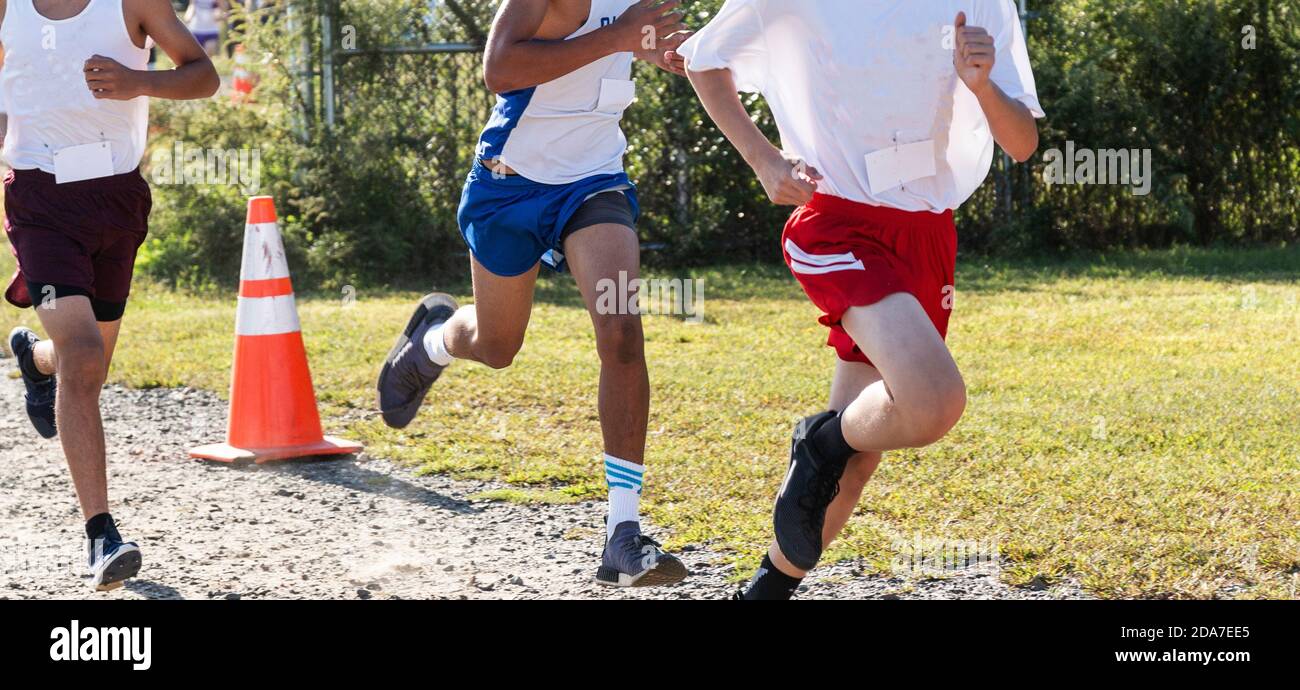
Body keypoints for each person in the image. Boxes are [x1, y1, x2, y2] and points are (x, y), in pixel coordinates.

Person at [678, 0, 1043, 599]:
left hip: (926, 234)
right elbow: (704, 60)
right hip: (837, 223)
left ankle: (765, 592)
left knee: (857, 460)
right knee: (932, 400)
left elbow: (1023, 143)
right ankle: (819, 442)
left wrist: (981, 86)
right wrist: (764, 159)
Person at [377, 0, 693, 588]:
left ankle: (622, 534)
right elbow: (499, 69)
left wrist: (661, 50)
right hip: (509, 183)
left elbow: (630, 42)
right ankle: (433, 341)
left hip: (594, 181)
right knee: (496, 346)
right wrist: (616, 38)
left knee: (621, 329)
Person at [1, 0, 219, 591]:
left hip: (115, 198)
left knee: (87, 363)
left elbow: (203, 73)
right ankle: (101, 534)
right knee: (87, 360)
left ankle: (35, 360)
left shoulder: (134, 3)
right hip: (38, 200)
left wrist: (136, 82)